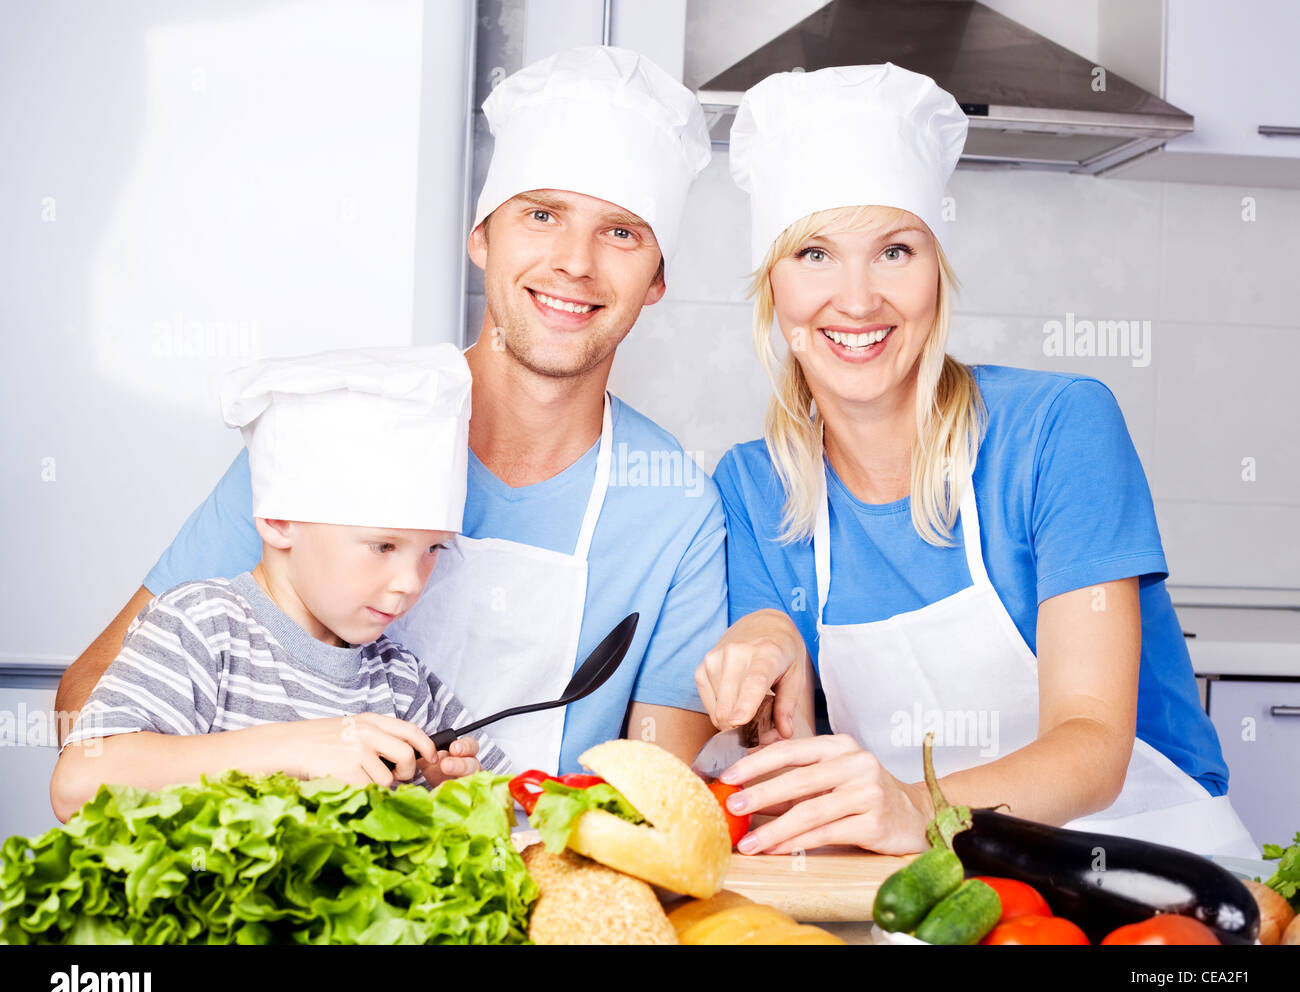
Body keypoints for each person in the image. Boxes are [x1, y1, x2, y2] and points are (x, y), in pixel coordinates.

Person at [55, 46, 726, 777]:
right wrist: (287, 770)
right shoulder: (330, 428)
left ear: (657, 278)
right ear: (481, 237)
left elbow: (656, 799)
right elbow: (85, 705)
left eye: (621, 232)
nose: (575, 261)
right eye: (541, 214)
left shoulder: (676, 509)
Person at [693, 63, 1257, 858]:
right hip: (922, 881)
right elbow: (770, 638)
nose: (857, 300)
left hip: (1143, 856)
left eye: (895, 250)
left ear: (937, 272)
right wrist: (759, 646)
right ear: (772, 289)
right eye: (814, 254)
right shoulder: (754, 486)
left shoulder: (1059, 429)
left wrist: (913, 808)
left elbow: (1093, 744)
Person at [50, 345, 504, 823]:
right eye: (383, 547)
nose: (410, 583)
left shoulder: (400, 682)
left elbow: (513, 804)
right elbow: (77, 785)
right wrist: (294, 747)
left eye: (432, 550)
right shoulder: (201, 626)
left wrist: (455, 794)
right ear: (279, 521)